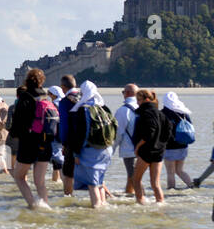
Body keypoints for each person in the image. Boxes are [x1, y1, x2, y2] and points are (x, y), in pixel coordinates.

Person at [10, 67, 55, 210]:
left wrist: (14, 135)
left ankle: (34, 205)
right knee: (40, 182)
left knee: (19, 176)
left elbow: (17, 121)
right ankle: (45, 206)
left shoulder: (25, 96)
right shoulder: (46, 98)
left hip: (29, 142)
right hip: (46, 143)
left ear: (27, 80)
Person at [66, 80, 116, 208]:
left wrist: (76, 153)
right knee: (99, 182)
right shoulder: (104, 108)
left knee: (92, 184)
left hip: (90, 151)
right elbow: (115, 127)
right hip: (106, 150)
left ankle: (96, 208)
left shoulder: (83, 110)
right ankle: (103, 205)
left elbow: (80, 134)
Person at [128, 89, 167, 204]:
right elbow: (168, 133)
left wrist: (138, 147)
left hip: (146, 152)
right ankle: (160, 203)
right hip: (159, 152)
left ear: (146, 99)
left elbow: (149, 132)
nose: (137, 103)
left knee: (136, 179)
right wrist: (161, 146)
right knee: (155, 183)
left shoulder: (146, 113)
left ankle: (140, 202)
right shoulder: (161, 114)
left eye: (138, 100)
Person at [161, 91, 195, 189]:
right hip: (183, 145)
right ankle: (191, 185)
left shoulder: (164, 113)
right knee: (180, 170)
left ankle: (171, 191)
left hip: (170, 147)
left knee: (170, 172)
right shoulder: (183, 112)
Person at [114, 84, 139, 195]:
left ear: (127, 93)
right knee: (133, 175)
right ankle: (129, 194)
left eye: (123, 92)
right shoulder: (143, 107)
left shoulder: (123, 110)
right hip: (145, 149)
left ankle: (141, 197)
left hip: (130, 149)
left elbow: (117, 133)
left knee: (133, 175)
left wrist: (111, 150)